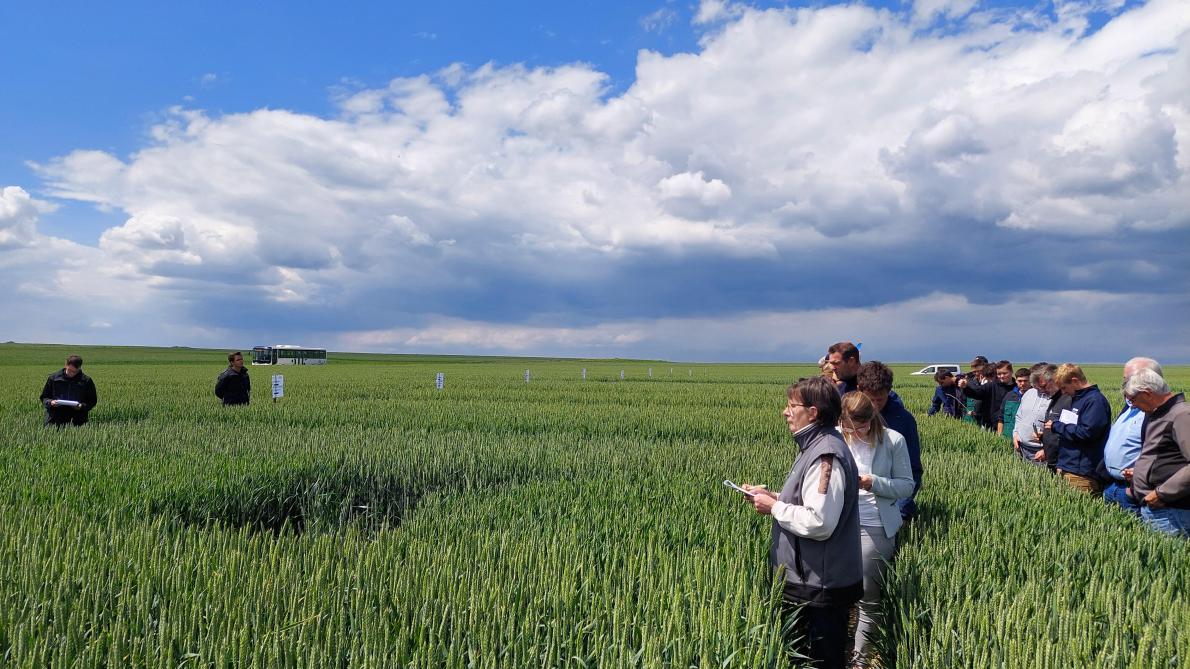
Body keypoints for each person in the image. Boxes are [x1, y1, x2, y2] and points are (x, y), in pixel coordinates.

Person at [742, 376, 862, 669]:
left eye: (792, 405)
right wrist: (773, 495)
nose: (785, 411)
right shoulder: (816, 446)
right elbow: (811, 502)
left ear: (814, 412)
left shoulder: (826, 455)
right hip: (812, 580)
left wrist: (774, 508)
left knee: (821, 660)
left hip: (820, 586)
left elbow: (819, 521)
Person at [839, 392, 914, 667]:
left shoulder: (893, 440)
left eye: (860, 428)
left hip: (875, 522)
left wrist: (874, 482)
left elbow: (907, 485)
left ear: (872, 419)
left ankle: (858, 661)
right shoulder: (836, 437)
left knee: (868, 595)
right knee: (835, 592)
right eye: (849, 428)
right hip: (837, 523)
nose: (855, 434)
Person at [1125, 368, 1189, 537]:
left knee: (1170, 564)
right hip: (1160, 509)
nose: (1134, 406)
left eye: (1132, 400)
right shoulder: (1162, 413)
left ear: (1147, 394)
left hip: (1170, 511)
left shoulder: (1182, 415)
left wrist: (1161, 493)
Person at [856, 361, 923, 522]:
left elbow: (913, 470)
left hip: (891, 502)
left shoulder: (903, 420)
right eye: (870, 399)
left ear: (889, 391)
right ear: (859, 390)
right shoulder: (847, 414)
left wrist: (900, 510)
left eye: (880, 399)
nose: (874, 405)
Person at [1101, 357, 1163, 517]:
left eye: (1129, 379)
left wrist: (1141, 477)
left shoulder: (1160, 414)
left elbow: (1169, 455)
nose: (1125, 384)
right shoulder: (1129, 407)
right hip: (1113, 486)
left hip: (1134, 490)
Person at [1045, 364, 1111, 494]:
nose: (1063, 392)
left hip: (1082, 472)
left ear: (1075, 381)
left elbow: (1087, 433)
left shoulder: (1095, 401)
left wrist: (1057, 426)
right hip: (1068, 466)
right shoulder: (1077, 399)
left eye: (1064, 387)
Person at [39, 354, 98, 426]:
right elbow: (44, 397)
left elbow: (92, 401)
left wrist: (81, 406)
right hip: (54, 420)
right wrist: (51, 402)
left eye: (75, 372)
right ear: (66, 365)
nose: (72, 374)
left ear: (79, 368)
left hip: (77, 421)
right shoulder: (53, 378)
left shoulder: (86, 381)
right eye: (69, 370)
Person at [1012, 363, 1053, 464]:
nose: (1033, 383)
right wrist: (1015, 434)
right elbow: (1019, 416)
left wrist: (1046, 450)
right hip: (1020, 448)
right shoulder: (1029, 393)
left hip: (1040, 452)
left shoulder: (1056, 398)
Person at [959, 360, 1014, 431]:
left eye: (1005, 373)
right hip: (990, 425)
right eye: (999, 374)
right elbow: (977, 392)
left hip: (1009, 427)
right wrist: (966, 387)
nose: (1002, 376)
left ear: (1011, 372)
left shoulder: (1016, 388)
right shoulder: (992, 385)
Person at [1038, 364, 1071, 470]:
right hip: (1051, 460)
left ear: (1054, 380)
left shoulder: (1068, 400)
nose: (1042, 390)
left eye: (1044, 386)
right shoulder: (1054, 399)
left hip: (1062, 463)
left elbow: (1070, 432)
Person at [997, 367, 1031, 438]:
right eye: (1020, 381)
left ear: (1030, 381)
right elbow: (1001, 419)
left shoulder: (1036, 397)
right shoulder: (1009, 396)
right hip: (1007, 437)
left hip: (1025, 440)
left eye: (1025, 381)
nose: (1022, 383)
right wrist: (999, 436)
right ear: (1016, 381)